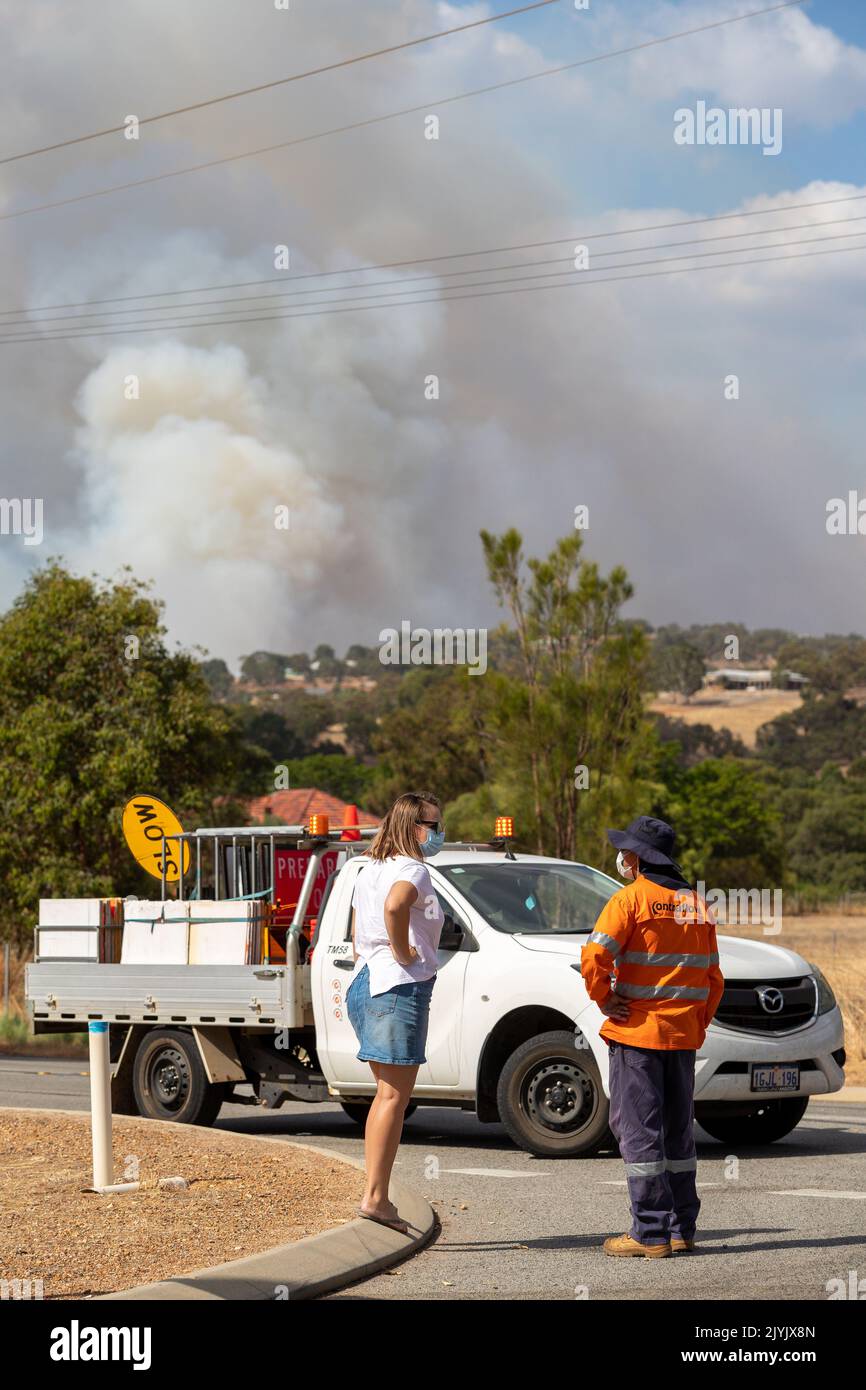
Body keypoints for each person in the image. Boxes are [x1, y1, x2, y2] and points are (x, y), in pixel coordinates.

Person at [581, 816, 725, 1258]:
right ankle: (681, 1229)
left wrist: (604, 1000)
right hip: (682, 1038)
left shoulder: (630, 900)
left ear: (637, 858)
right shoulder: (697, 905)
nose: (621, 858)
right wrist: (696, 1024)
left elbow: (594, 957)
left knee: (639, 1133)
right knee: (678, 1134)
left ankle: (649, 1234)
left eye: (625, 850)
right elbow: (714, 979)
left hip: (638, 1036)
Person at [345, 790, 445, 1234]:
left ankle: (376, 1193)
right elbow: (395, 906)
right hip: (396, 986)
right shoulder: (414, 870)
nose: (439, 833)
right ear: (413, 826)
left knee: (385, 1098)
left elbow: (355, 932)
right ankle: (375, 1198)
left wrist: (382, 955)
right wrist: (404, 953)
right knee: (393, 1099)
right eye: (434, 825)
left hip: (366, 982)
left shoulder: (368, 868)